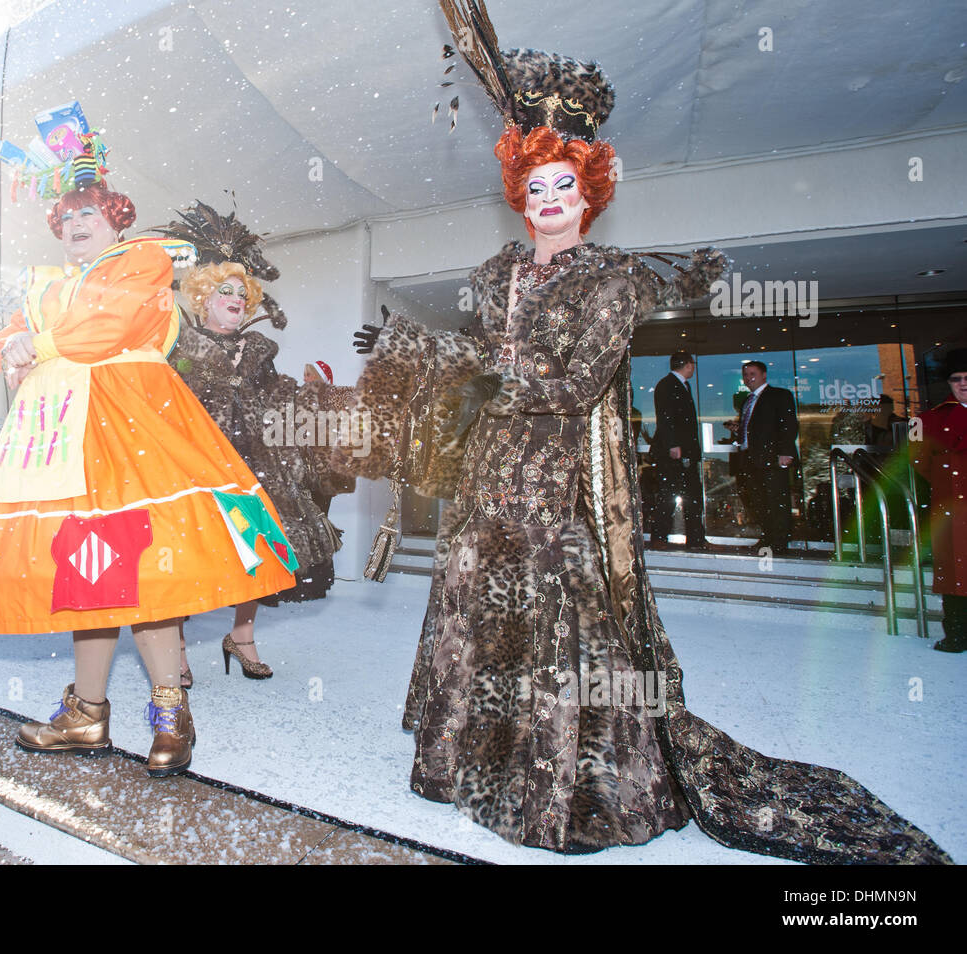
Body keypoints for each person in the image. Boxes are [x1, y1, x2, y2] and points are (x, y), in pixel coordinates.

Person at [345, 7, 947, 862]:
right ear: (519, 194)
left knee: (562, 619)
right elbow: (472, 356)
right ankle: (465, 762)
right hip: (490, 472)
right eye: (536, 190)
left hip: (560, 475)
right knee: (478, 608)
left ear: (591, 192)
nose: (549, 205)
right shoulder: (495, 274)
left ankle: (559, 782)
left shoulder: (614, 280)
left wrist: (482, 364)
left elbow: (571, 386)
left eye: (566, 189)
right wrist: (413, 346)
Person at [0, 139, 295, 777]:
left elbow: (105, 329)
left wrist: (39, 342)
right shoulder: (44, 282)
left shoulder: (141, 262)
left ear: (116, 221)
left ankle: (170, 715)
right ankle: (88, 714)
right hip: (58, 438)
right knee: (89, 573)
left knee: (147, 570)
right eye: (67, 218)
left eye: (91, 215)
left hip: (134, 429)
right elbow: (7, 334)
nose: (77, 226)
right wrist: (11, 348)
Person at [156, 202, 343, 683]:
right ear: (202, 298)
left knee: (255, 551)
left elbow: (278, 404)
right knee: (189, 554)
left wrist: (317, 407)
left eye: (243, 292)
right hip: (197, 466)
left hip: (255, 466)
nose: (237, 298)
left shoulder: (260, 352)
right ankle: (173, 645)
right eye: (225, 291)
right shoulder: (181, 345)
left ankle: (240, 636)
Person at [911, 350, 967, 653]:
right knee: (956, 576)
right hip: (953, 507)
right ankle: (957, 634)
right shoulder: (930, 419)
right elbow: (920, 461)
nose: (963, 384)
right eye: (956, 379)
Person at [732, 360, 798, 552]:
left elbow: (788, 424)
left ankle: (779, 540)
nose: (748, 378)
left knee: (776, 499)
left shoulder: (779, 396)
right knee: (759, 501)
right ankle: (768, 536)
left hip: (772, 457)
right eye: (745, 375)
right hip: (752, 459)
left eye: (752, 374)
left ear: (764, 375)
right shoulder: (747, 401)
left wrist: (785, 452)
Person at [650, 351, 706, 549]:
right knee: (669, 495)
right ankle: (659, 537)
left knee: (691, 495)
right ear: (688, 365)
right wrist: (673, 444)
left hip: (685, 451)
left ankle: (696, 538)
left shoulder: (682, 385)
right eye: (693, 364)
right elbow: (665, 417)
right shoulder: (667, 385)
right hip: (674, 452)